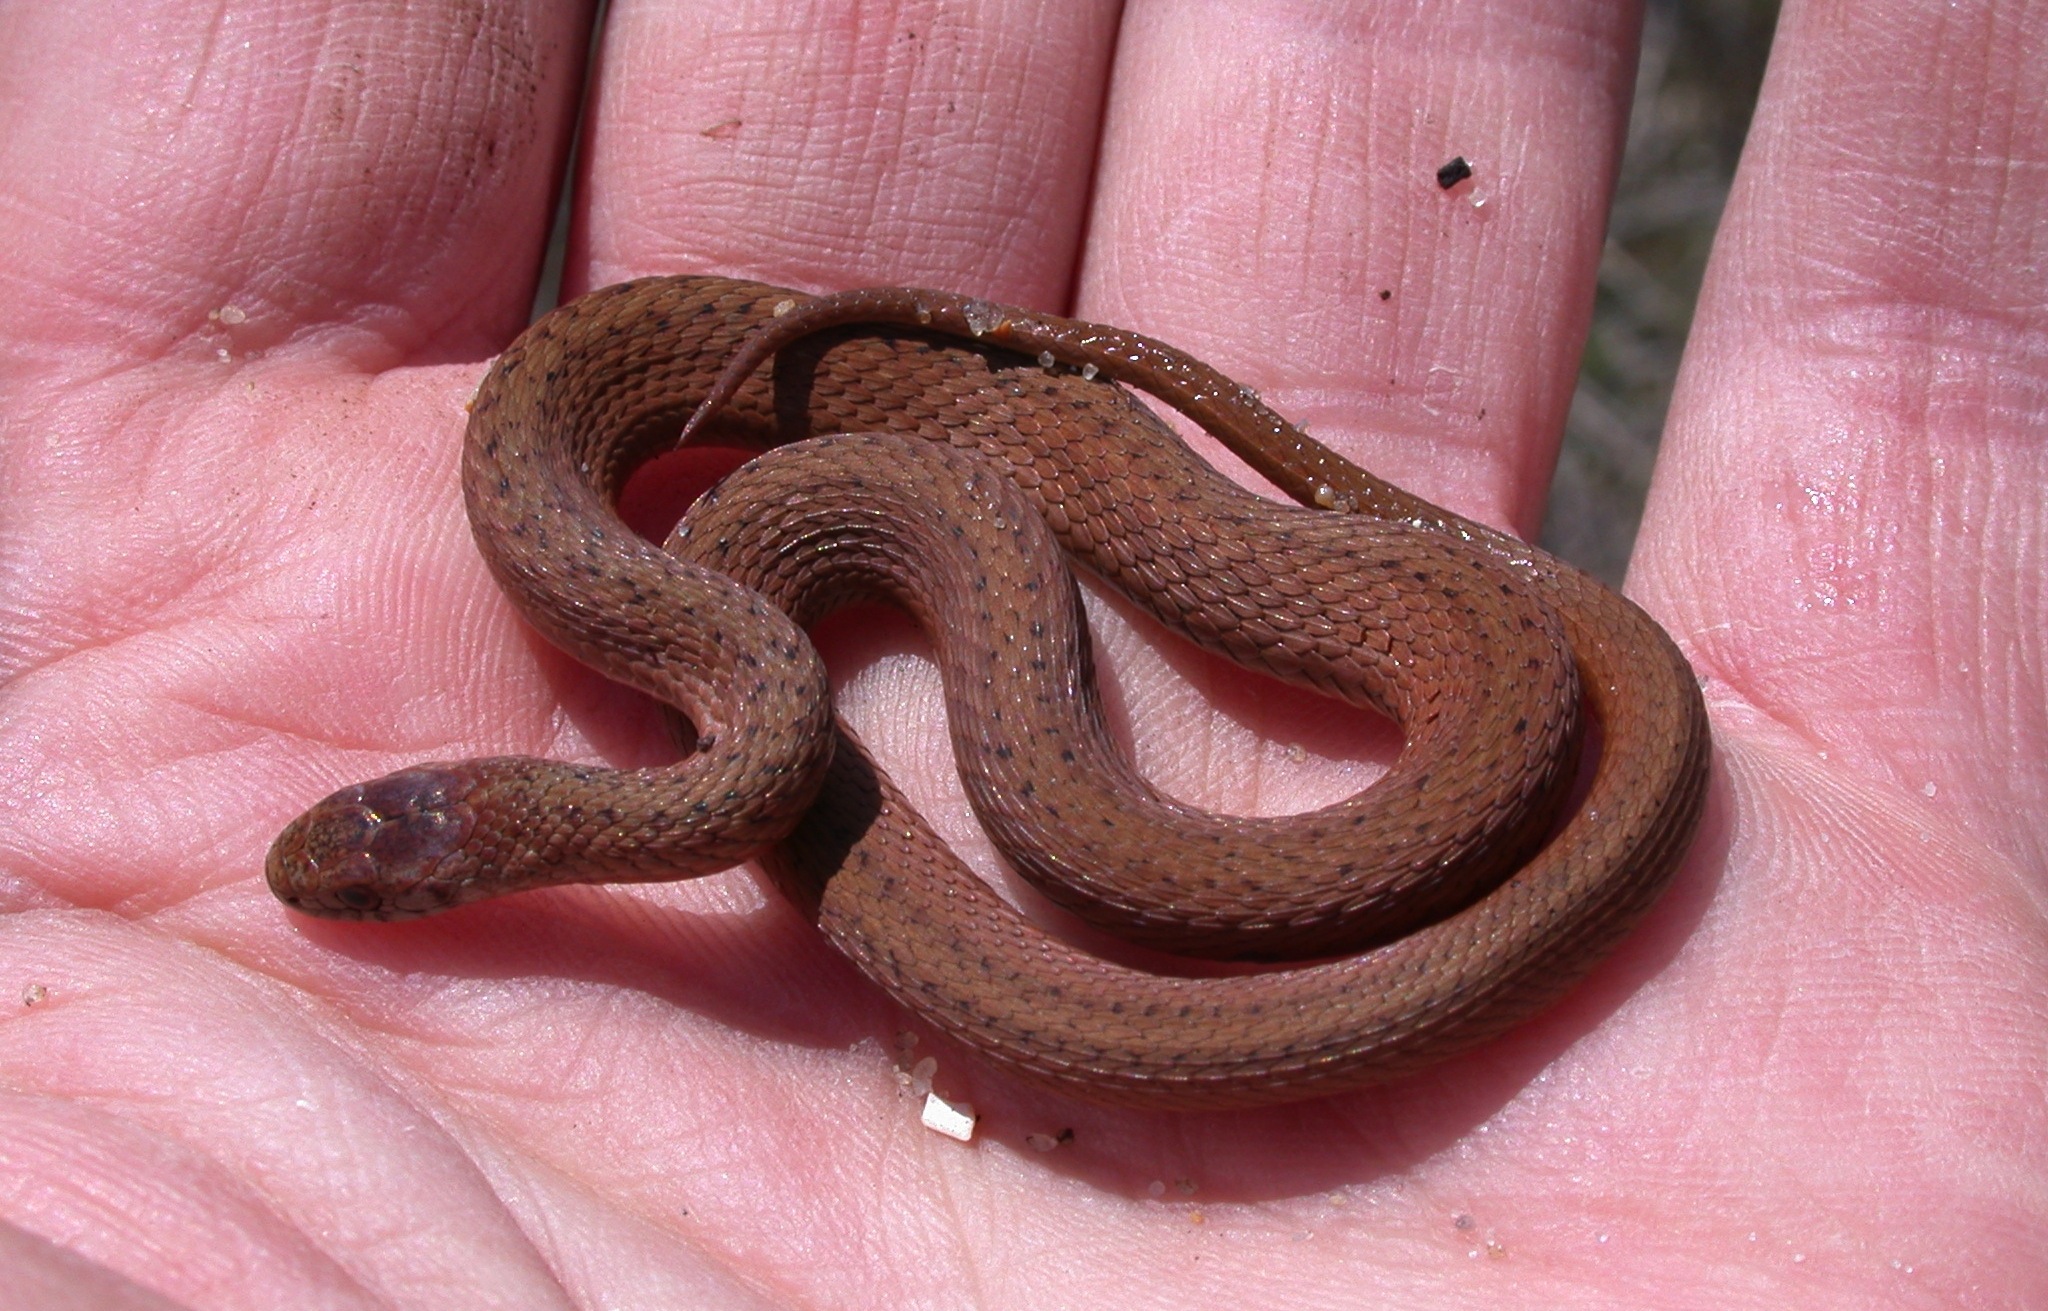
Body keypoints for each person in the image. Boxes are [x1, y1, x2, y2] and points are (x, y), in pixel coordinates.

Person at [3, 2, 2040, 1305]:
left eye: (386, 856)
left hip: (934, 566)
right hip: (847, 593)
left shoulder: (729, 630)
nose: (386, 869)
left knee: (1077, 642)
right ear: (468, 855)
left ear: (480, 855)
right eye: (393, 857)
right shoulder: (713, 628)